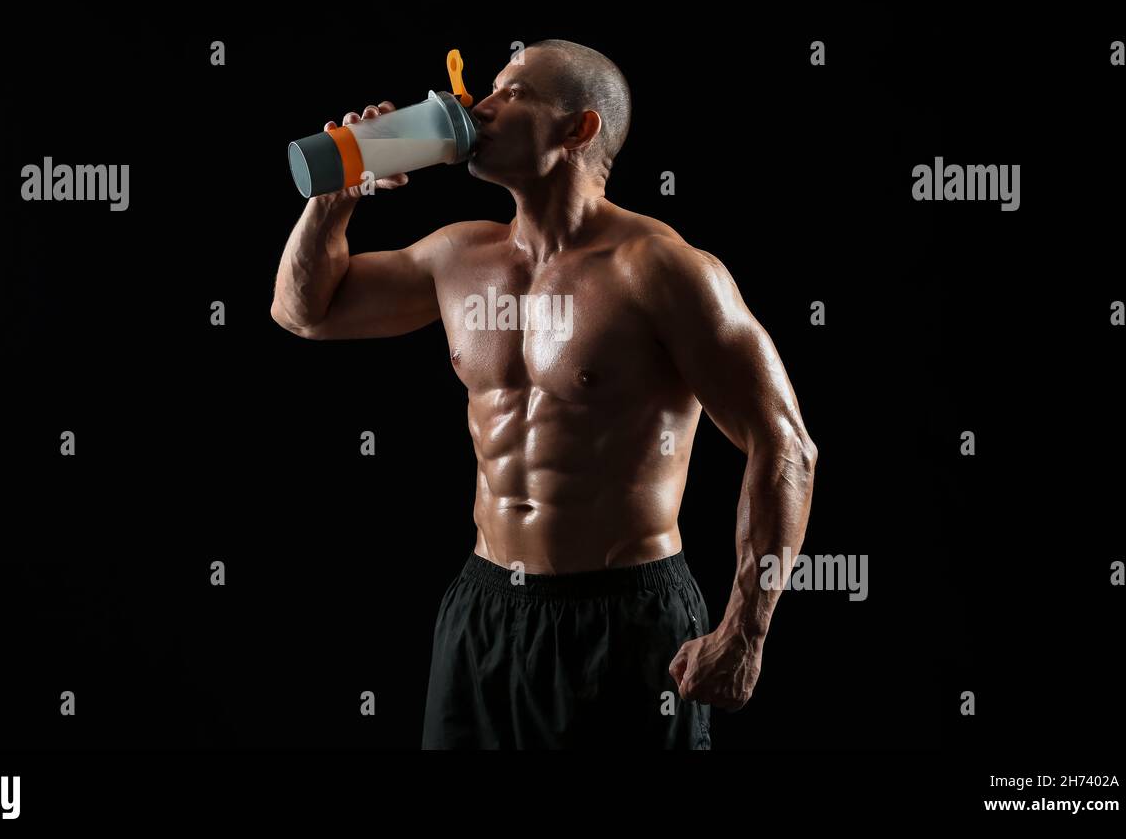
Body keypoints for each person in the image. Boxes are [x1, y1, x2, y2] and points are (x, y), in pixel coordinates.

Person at [270, 40, 818, 749]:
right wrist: (333, 202)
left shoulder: (661, 270)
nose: (480, 105)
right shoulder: (458, 256)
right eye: (487, 90)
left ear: (578, 128)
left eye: (513, 93)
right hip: (484, 607)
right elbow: (303, 312)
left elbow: (786, 446)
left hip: (623, 618)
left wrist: (746, 631)